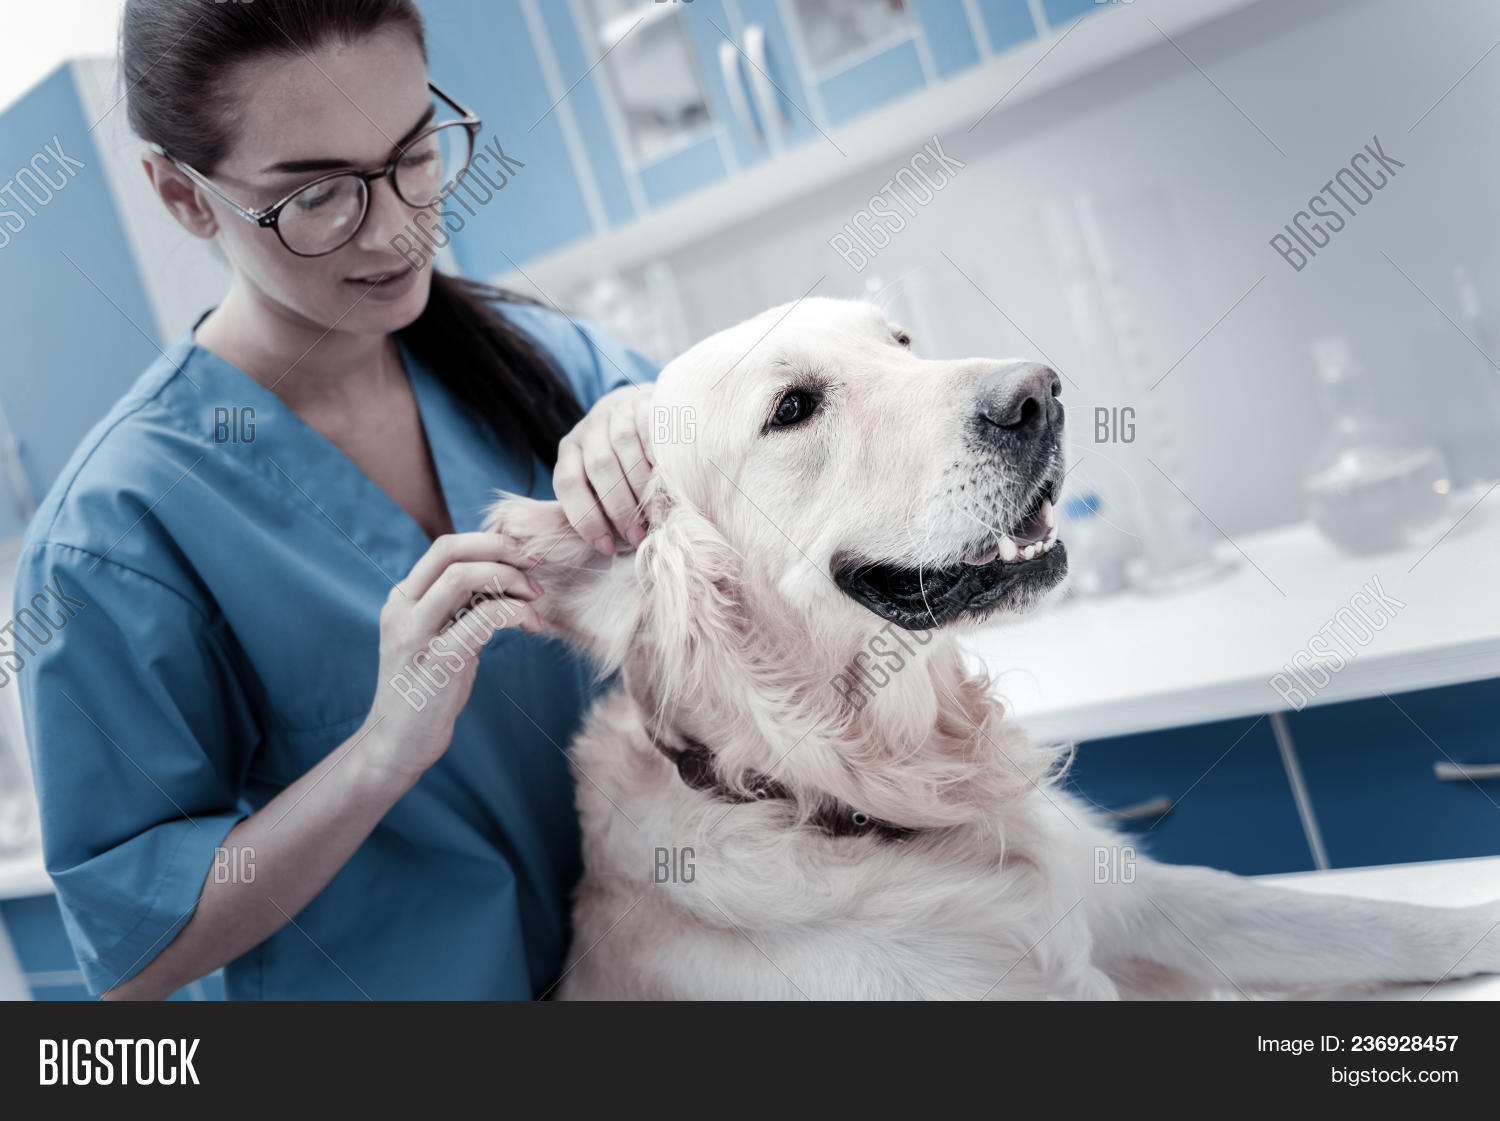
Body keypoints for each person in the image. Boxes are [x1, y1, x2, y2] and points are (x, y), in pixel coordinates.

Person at [14, 0, 658, 999]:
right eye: (319, 194)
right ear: (183, 197)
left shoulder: (552, 364)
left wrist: (671, 428)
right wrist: (377, 754)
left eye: (415, 152)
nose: (401, 227)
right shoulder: (117, 534)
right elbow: (135, 949)